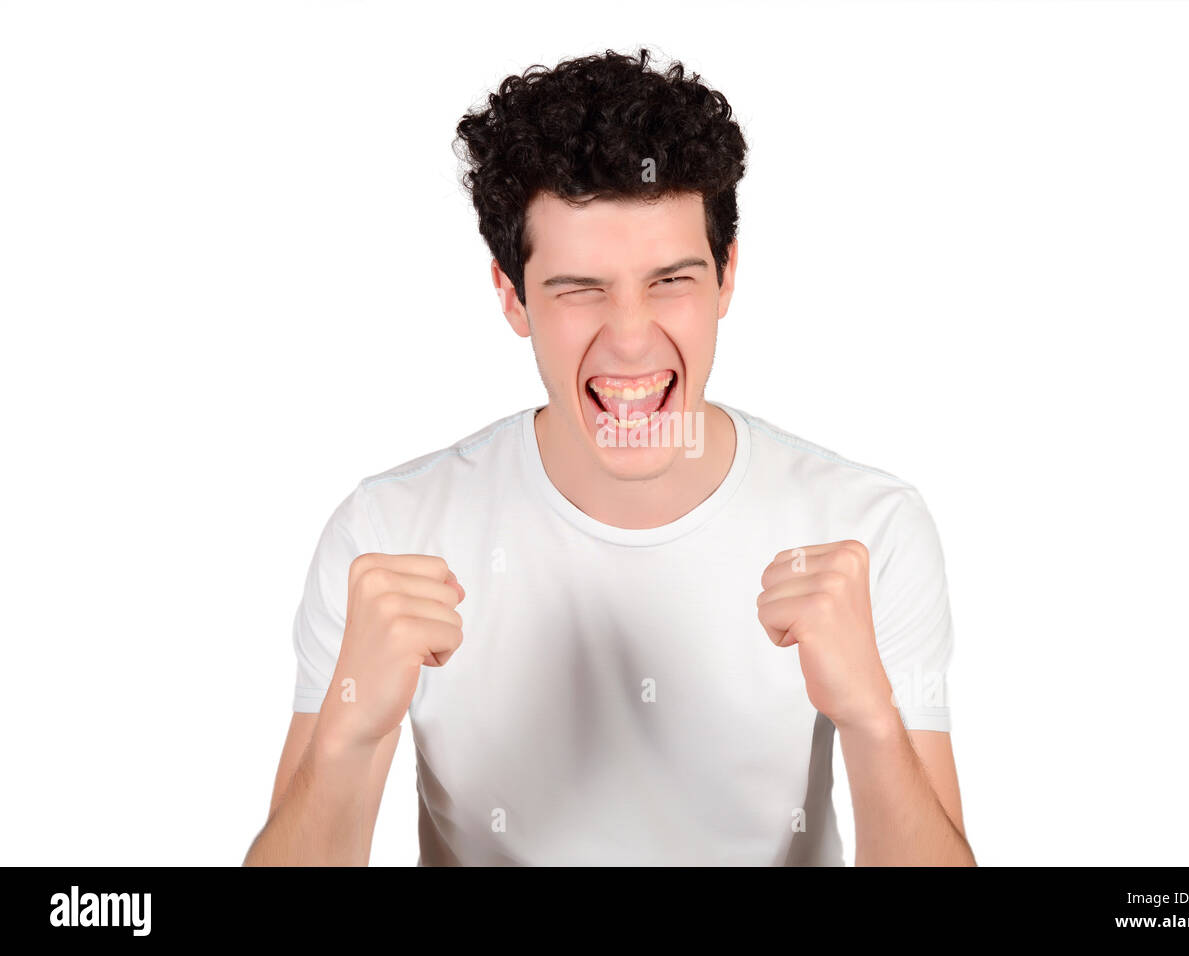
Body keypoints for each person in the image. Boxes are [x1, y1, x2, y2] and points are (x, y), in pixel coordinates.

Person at [244, 48, 974, 866]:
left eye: (671, 281)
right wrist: (349, 732)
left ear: (727, 278)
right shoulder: (388, 535)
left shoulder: (867, 526)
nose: (630, 340)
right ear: (511, 297)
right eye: (579, 289)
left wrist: (873, 718)